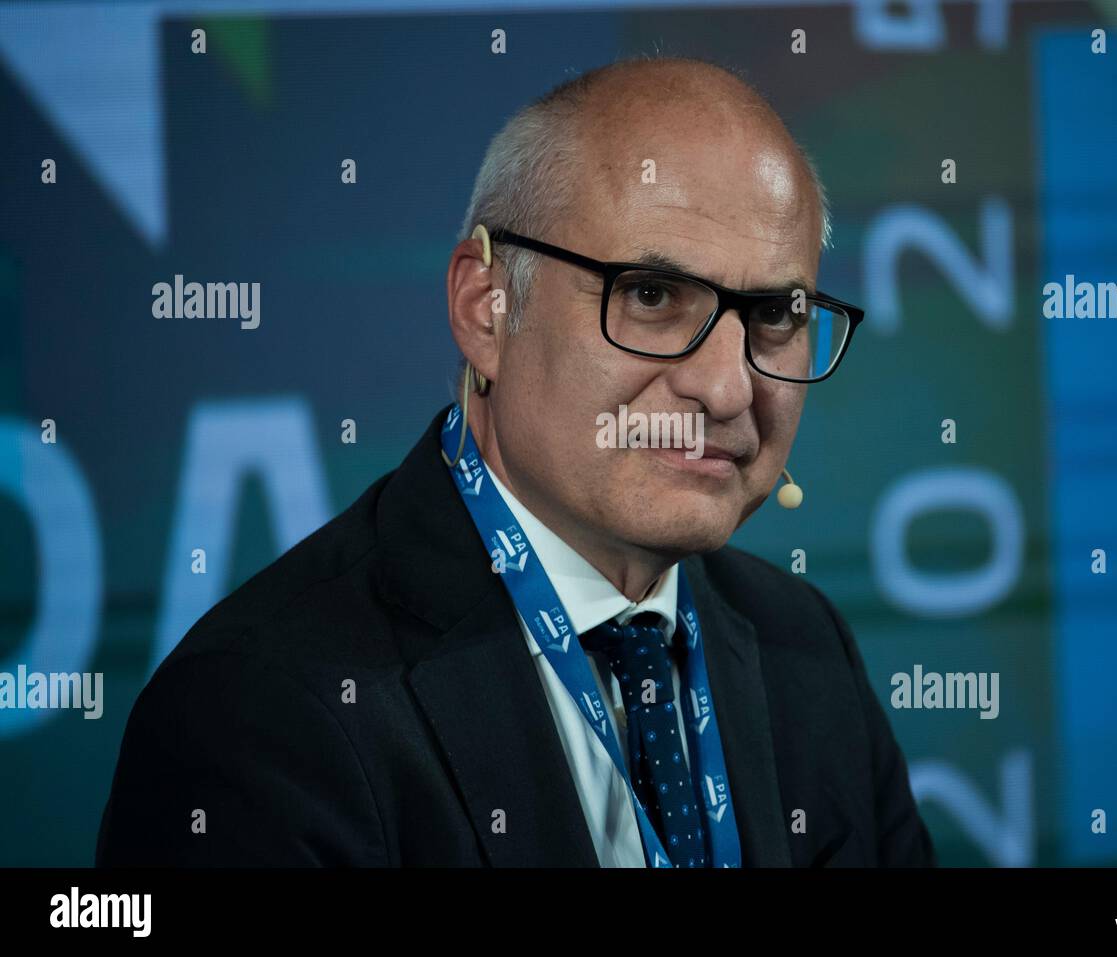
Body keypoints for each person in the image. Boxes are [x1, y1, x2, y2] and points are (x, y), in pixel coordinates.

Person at [96, 55, 935, 868]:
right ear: (485, 309)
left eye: (773, 316)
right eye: (650, 295)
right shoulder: (261, 713)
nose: (725, 387)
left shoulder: (808, 649)